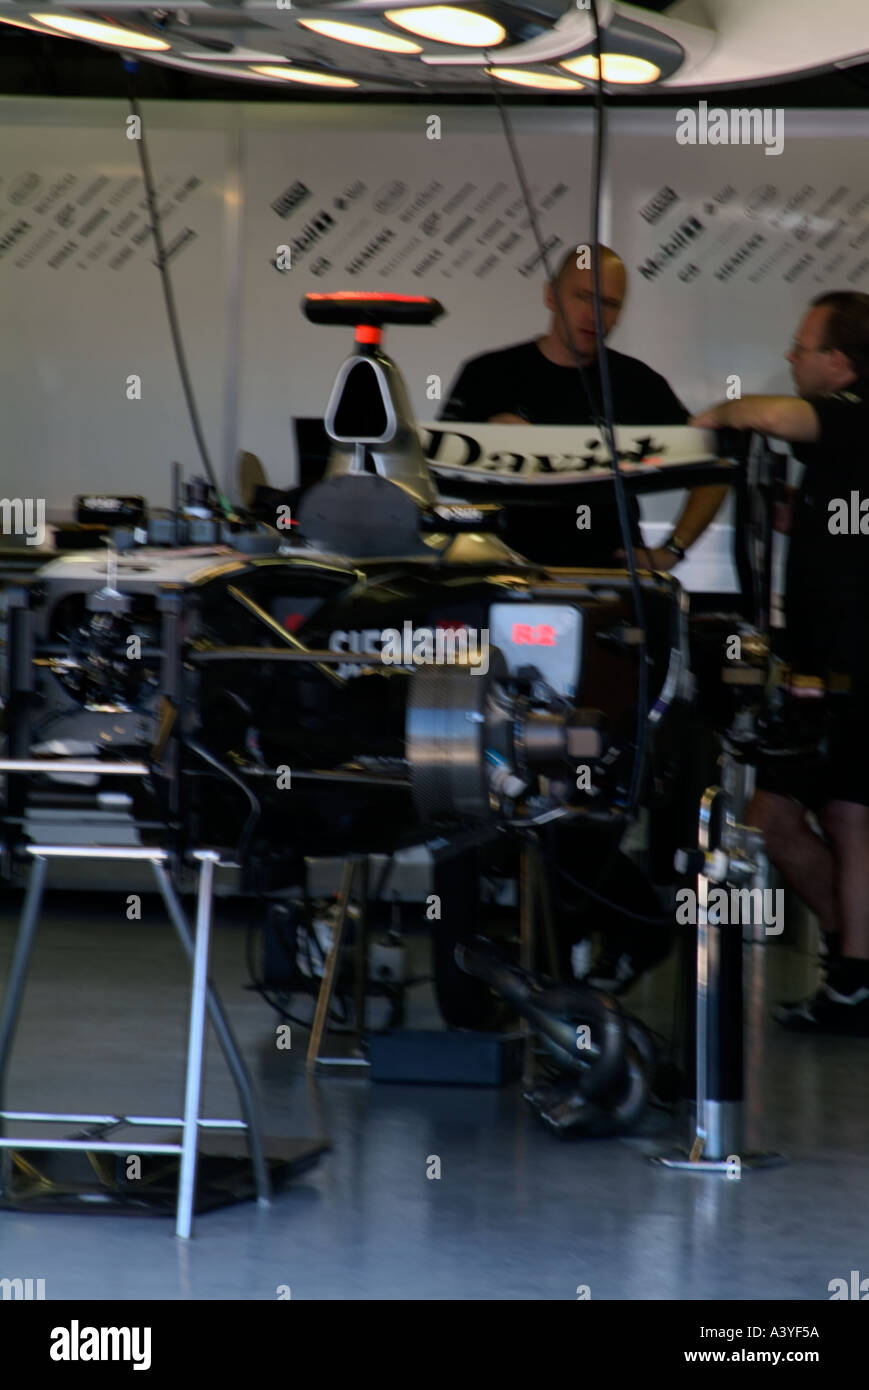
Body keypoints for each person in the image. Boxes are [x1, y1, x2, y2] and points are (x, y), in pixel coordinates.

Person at [691, 289, 869, 1034]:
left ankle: (853, 979)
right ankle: (854, 962)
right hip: (810, 668)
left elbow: (767, 414)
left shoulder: (855, 412)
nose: (790, 359)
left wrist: (709, 418)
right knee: (776, 820)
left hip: (854, 669)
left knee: (852, 818)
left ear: (837, 362)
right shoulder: (835, 441)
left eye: (801, 348)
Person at [440, 242, 729, 570]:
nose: (594, 315)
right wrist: (489, 453)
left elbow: (715, 471)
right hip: (501, 572)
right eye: (582, 297)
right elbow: (432, 471)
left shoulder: (639, 384)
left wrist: (673, 550)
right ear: (551, 296)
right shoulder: (488, 374)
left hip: (611, 580)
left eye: (608, 303)